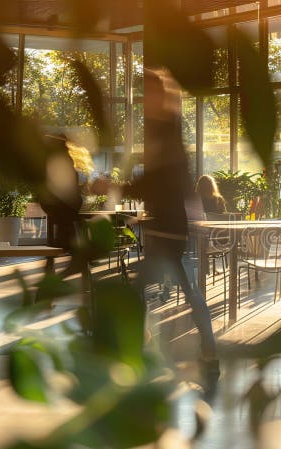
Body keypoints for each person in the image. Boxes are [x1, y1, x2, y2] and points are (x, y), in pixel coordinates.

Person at [92, 69, 218, 373]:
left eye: (146, 94)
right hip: (168, 227)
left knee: (158, 291)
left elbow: (157, 182)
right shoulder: (167, 129)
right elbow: (161, 181)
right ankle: (206, 352)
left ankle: (138, 348)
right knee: (180, 291)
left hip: (167, 231)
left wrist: (114, 187)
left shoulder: (165, 132)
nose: (143, 100)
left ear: (158, 96)